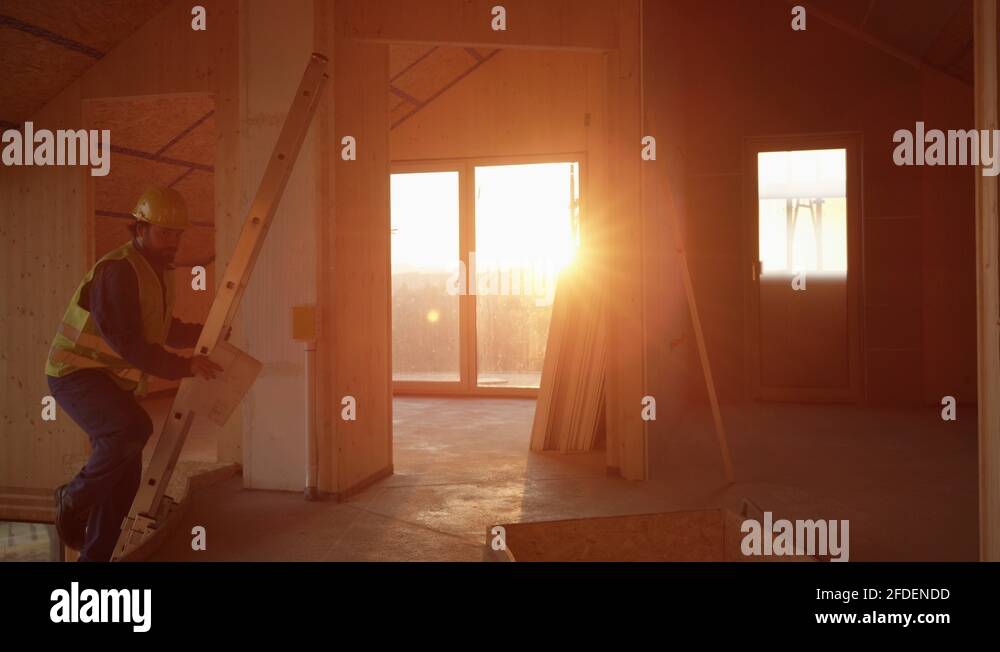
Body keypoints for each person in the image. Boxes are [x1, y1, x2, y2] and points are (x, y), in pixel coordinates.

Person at [44, 187, 223, 561]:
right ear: (139, 229)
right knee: (131, 429)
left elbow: (161, 328)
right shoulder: (119, 270)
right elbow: (127, 342)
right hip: (75, 373)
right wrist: (183, 367)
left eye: (177, 234)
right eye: (164, 233)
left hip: (109, 381)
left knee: (124, 484)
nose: (172, 241)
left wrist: (205, 332)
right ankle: (73, 496)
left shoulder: (157, 272)